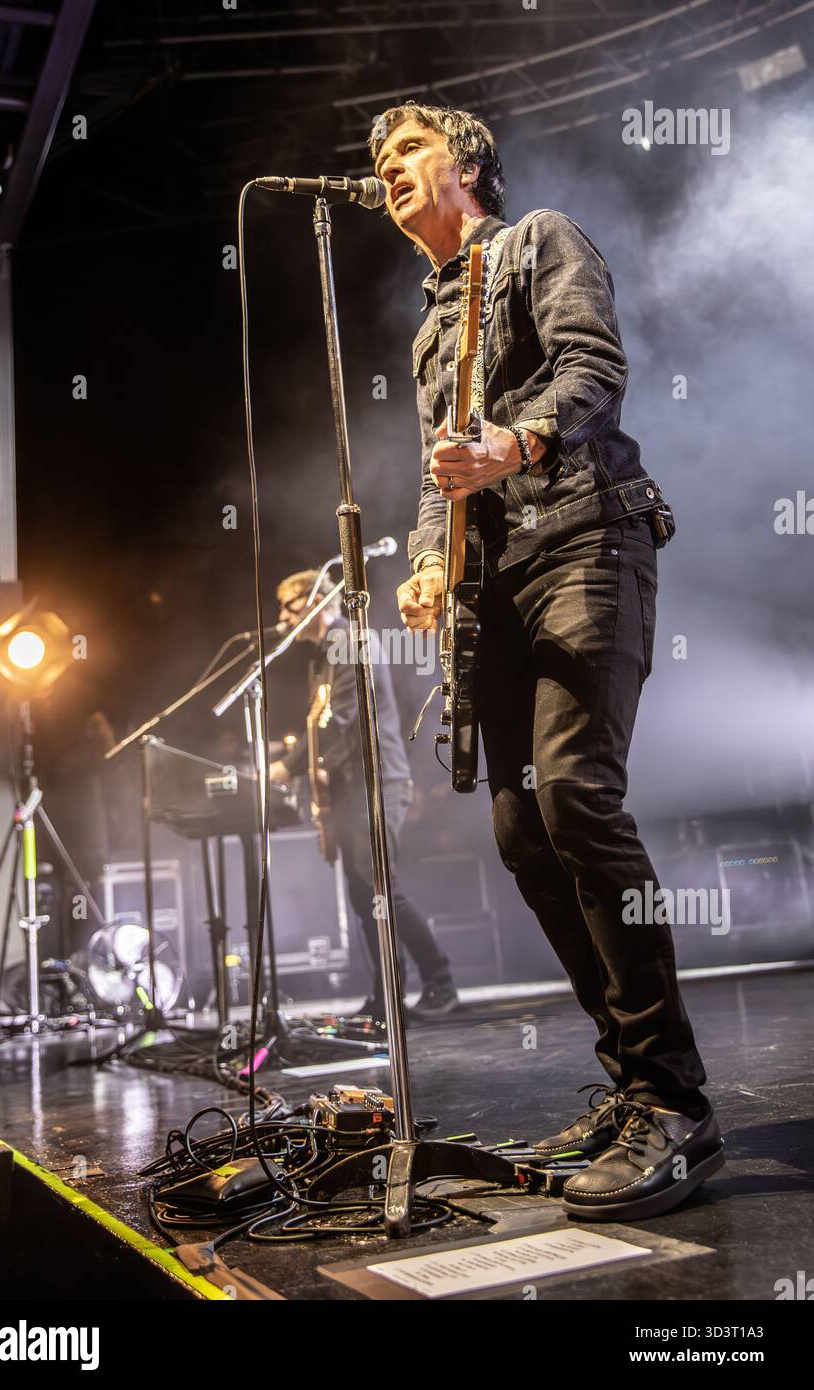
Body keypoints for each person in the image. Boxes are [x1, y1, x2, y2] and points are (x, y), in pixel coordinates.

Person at [371, 101, 723, 1220]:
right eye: (375, 160)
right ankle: (628, 1085)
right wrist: (430, 560)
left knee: (575, 793)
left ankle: (673, 1100)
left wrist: (511, 442)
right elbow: (437, 477)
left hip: (584, 536)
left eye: (405, 151)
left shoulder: (538, 242)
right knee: (522, 830)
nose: (385, 169)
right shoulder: (429, 329)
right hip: (497, 584)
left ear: (464, 164)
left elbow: (590, 367)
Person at [268, 567, 457, 1023]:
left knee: (381, 888)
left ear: (316, 603)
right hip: (350, 789)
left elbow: (347, 720)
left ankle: (440, 982)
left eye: (288, 607)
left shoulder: (350, 640)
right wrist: (290, 752)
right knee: (361, 895)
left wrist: (286, 767)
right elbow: (323, 724)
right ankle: (386, 992)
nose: (281, 617)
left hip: (379, 782)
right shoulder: (321, 658)